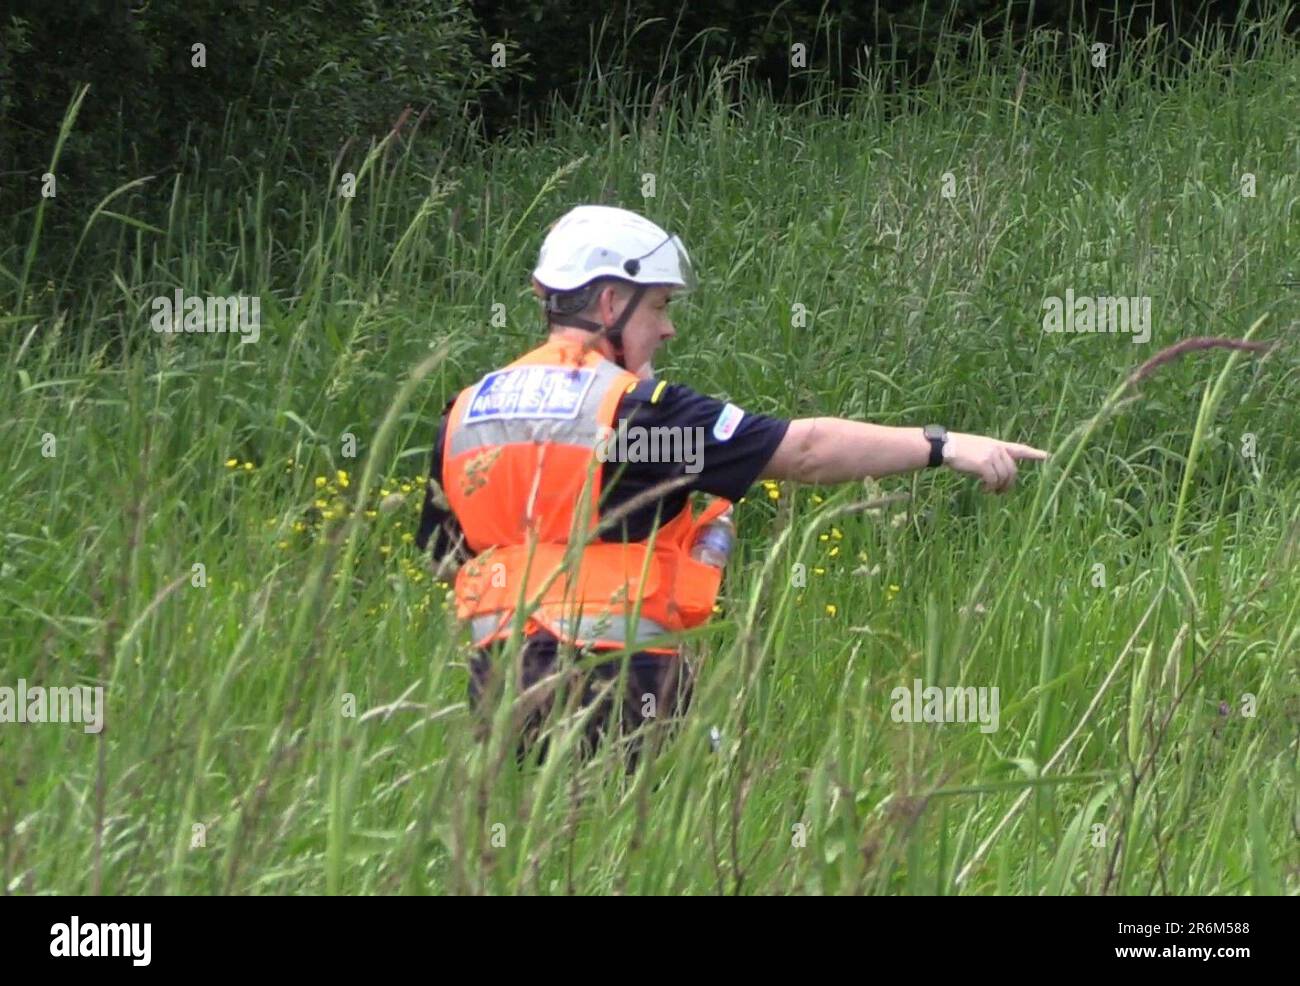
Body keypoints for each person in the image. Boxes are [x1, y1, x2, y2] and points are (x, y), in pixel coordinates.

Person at [416, 204, 1048, 761]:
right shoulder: (633, 410)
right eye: (659, 306)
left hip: (499, 693)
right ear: (611, 303)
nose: (667, 329)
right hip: (615, 685)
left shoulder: (466, 410)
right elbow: (805, 451)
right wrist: (944, 445)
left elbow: (449, 557)